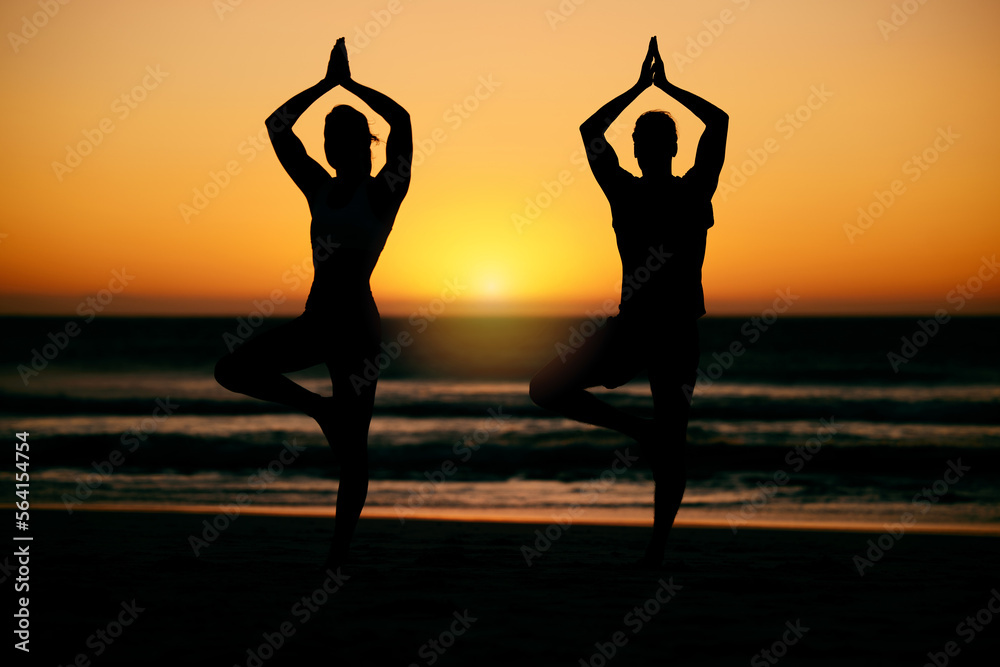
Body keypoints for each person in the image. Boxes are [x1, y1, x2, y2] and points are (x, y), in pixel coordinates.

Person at [529, 37, 728, 567]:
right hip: (639, 326)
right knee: (548, 388)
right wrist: (656, 89)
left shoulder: (685, 190)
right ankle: (641, 437)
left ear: (654, 148)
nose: (645, 145)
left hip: (670, 330)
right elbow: (717, 123)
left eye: (648, 137)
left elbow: (595, 131)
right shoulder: (639, 190)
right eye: (644, 137)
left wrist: (647, 89)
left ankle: (656, 547)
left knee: (671, 440)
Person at [214, 38, 412, 568]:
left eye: (345, 138)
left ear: (365, 145)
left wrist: (352, 87)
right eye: (330, 138)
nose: (335, 146)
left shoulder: (385, 191)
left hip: (358, 328)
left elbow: (404, 123)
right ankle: (320, 410)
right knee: (232, 368)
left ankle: (338, 555)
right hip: (317, 319)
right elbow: (278, 126)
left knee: (355, 450)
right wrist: (326, 86)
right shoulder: (318, 188)